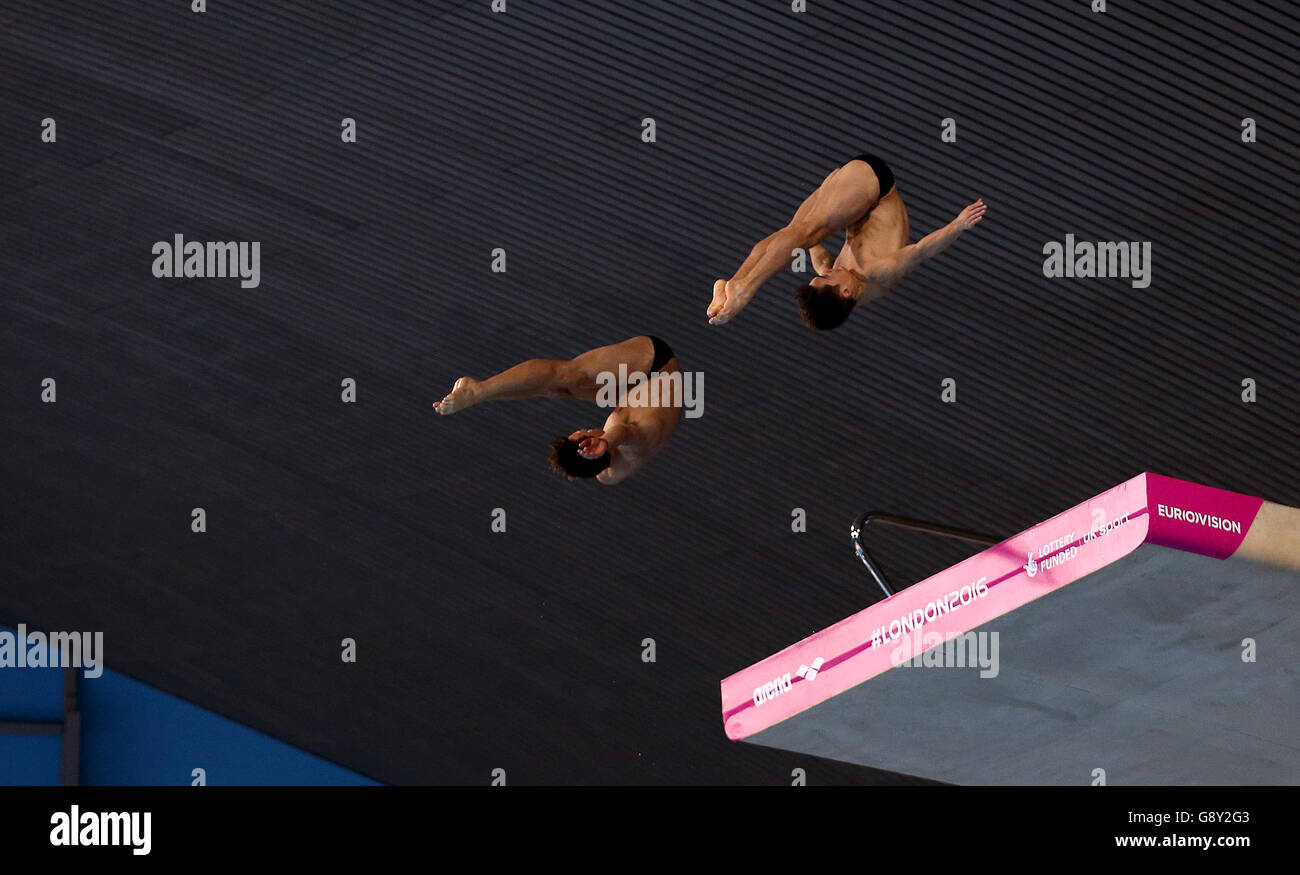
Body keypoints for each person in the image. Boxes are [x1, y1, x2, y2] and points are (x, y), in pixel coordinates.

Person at [707, 153, 986, 329]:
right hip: (875, 187)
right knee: (801, 235)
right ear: (846, 293)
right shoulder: (879, 272)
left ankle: (734, 282)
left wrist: (806, 248)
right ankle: (744, 289)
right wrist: (958, 224)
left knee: (795, 235)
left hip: (855, 193)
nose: (826, 272)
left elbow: (818, 259)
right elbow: (922, 250)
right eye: (827, 279)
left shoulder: (844, 284)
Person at [434, 335, 682, 485]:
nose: (584, 427)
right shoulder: (639, 440)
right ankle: (480, 390)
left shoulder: (607, 475)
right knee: (569, 375)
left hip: (630, 393)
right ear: (594, 444)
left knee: (554, 389)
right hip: (656, 365)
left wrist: (598, 446)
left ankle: (482, 396)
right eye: (583, 432)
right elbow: (626, 433)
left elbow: (604, 458)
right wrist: (606, 439)